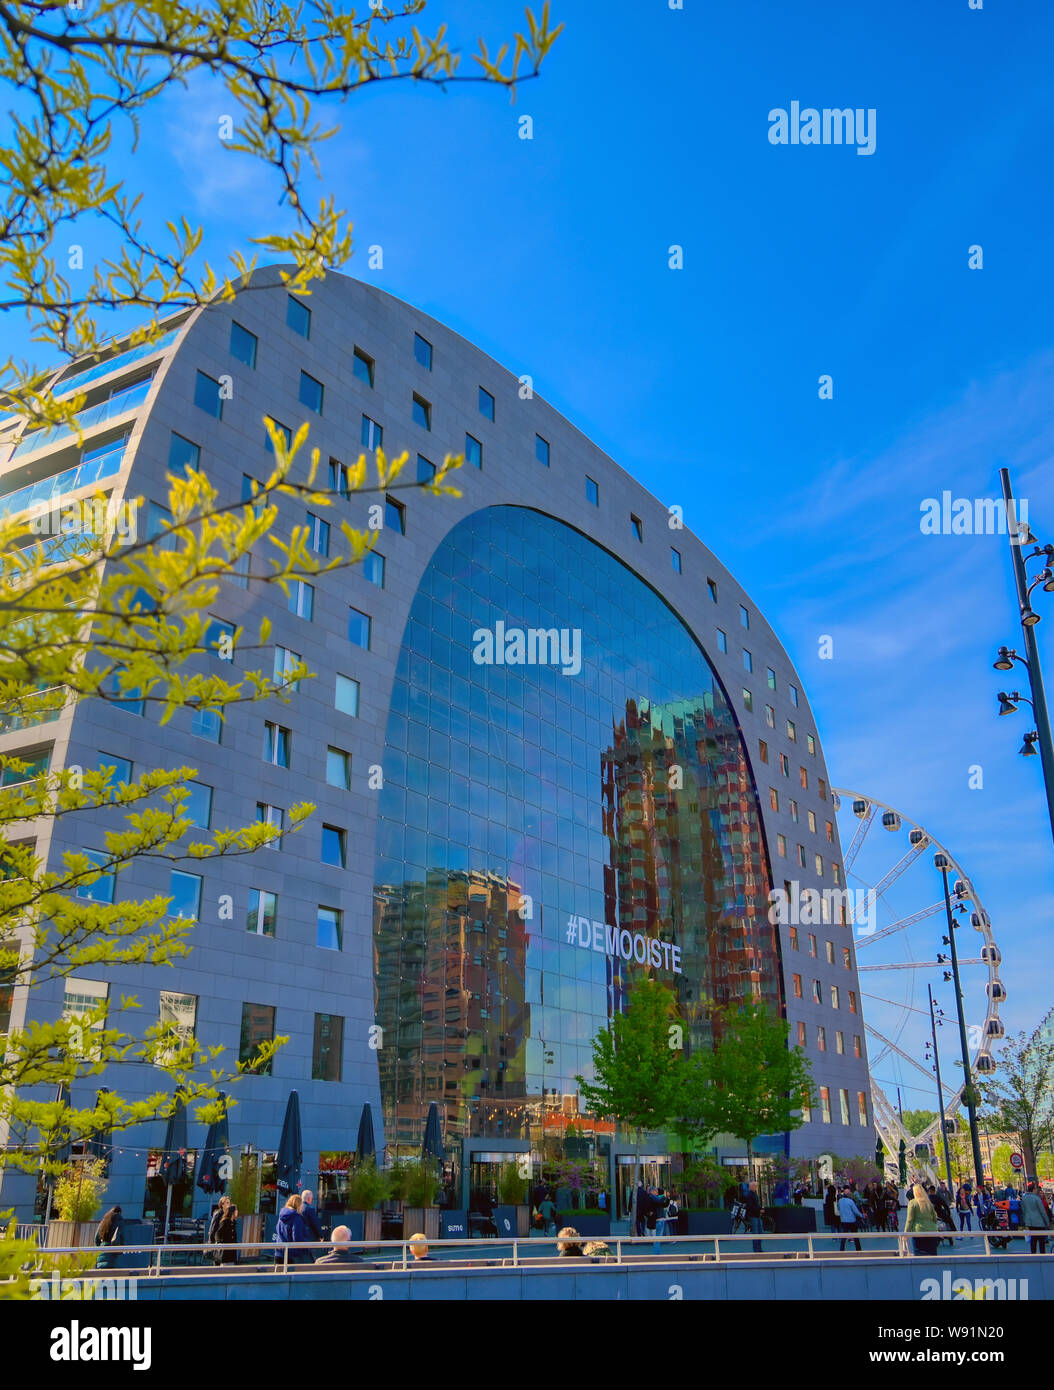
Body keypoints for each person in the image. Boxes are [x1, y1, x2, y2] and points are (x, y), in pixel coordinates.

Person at [274, 1193, 311, 1265]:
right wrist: (307, 1247)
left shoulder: (281, 1216)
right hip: (291, 1254)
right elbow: (297, 1237)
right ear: (299, 1205)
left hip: (279, 1251)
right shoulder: (296, 1218)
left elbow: (278, 1230)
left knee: (278, 1275)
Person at [906, 1183, 940, 1256]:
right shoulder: (929, 1203)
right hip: (932, 1232)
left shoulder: (912, 1203)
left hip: (919, 1232)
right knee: (932, 1254)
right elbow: (935, 1218)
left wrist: (906, 1233)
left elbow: (910, 1220)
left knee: (919, 1255)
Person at [208, 1196, 240, 1264]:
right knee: (218, 1262)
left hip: (227, 1244)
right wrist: (213, 1242)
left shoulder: (230, 1215)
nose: (229, 1204)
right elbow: (213, 1229)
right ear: (222, 1204)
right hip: (219, 1242)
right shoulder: (219, 1214)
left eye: (229, 1203)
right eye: (227, 1203)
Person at [1021, 1182, 1051, 1254]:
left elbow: (1023, 1210)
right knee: (1041, 1241)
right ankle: (1042, 1255)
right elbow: (1042, 1211)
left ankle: (1033, 1254)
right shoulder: (1036, 1198)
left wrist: (1025, 1220)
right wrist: (1047, 1222)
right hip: (1039, 1222)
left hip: (1029, 1222)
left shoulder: (1024, 1198)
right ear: (1033, 1189)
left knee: (1033, 1239)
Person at [95, 1205, 124, 1270]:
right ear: (120, 1212)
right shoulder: (119, 1219)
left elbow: (96, 1239)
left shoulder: (104, 1220)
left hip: (100, 1255)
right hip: (112, 1257)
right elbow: (119, 1237)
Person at [744, 1180, 764, 1253]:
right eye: (755, 1186)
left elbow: (755, 1204)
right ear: (751, 1186)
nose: (756, 1187)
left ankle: (759, 1248)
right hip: (753, 1216)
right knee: (756, 1233)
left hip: (757, 1215)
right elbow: (750, 1206)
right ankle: (756, 1249)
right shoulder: (749, 1195)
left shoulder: (754, 1194)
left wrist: (759, 1209)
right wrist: (759, 1210)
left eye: (756, 1185)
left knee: (760, 1232)